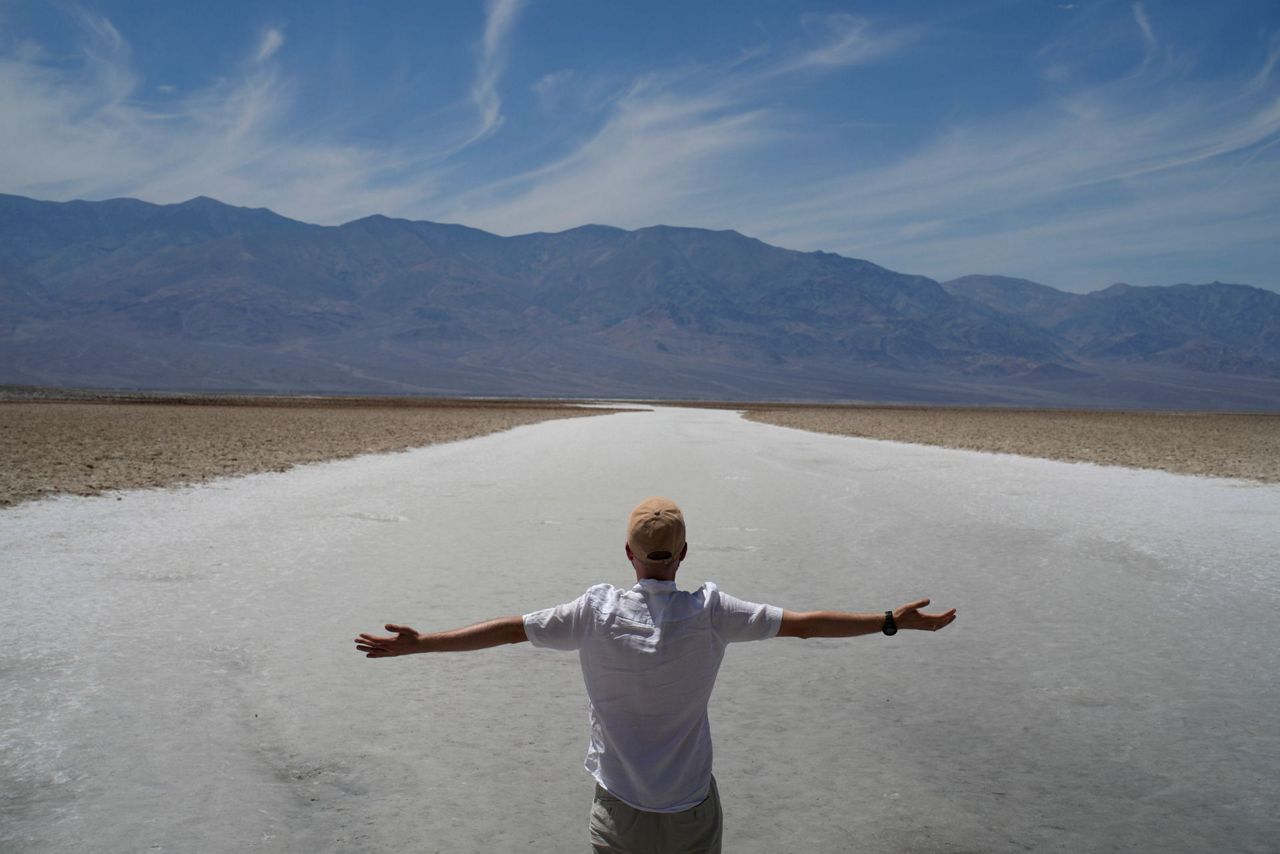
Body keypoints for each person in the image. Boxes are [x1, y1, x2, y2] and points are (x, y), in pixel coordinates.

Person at [354, 496, 957, 853]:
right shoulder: (712, 614)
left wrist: (420, 644)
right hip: (691, 807)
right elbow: (804, 624)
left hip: (619, 808)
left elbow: (511, 629)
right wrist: (889, 621)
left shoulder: (593, 614)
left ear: (628, 553)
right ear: (685, 553)